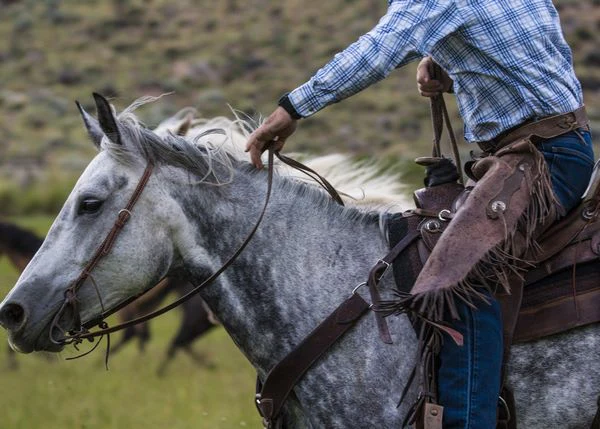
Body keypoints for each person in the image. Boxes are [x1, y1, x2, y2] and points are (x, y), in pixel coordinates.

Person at [245, 1, 594, 428]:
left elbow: (381, 47)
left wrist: (291, 108)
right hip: (552, 146)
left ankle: (466, 420)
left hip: (540, 158)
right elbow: (533, 56)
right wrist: (455, 62)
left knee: (460, 274)